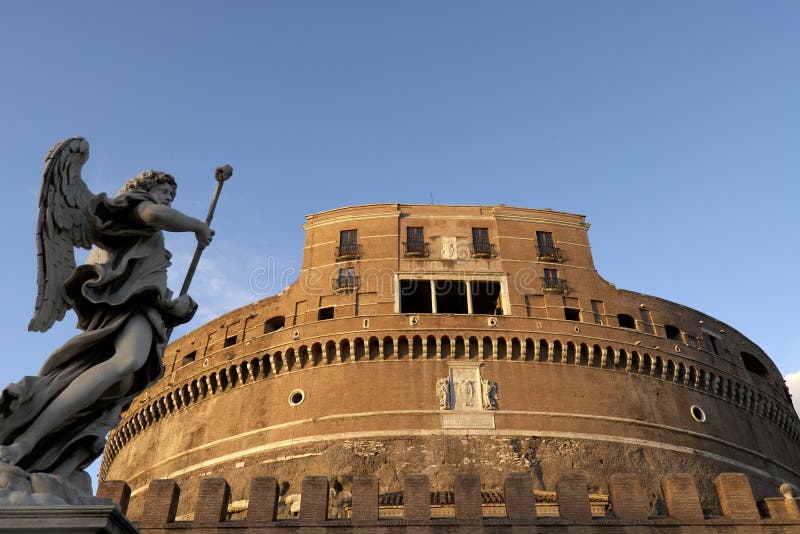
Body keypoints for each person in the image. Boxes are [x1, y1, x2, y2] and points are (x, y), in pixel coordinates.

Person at [0, 168, 212, 478]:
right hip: (123, 304)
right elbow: (153, 214)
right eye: (165, 189)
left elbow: (151, 289)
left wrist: (176, 307)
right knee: (128, 361)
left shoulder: (150, 242)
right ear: (145, 186)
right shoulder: (130, 206)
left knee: (121, 381)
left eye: (172, 194)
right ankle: (26, 441)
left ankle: (33, 442)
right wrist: (197, 226)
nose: (168, 196)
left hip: (136, 307)